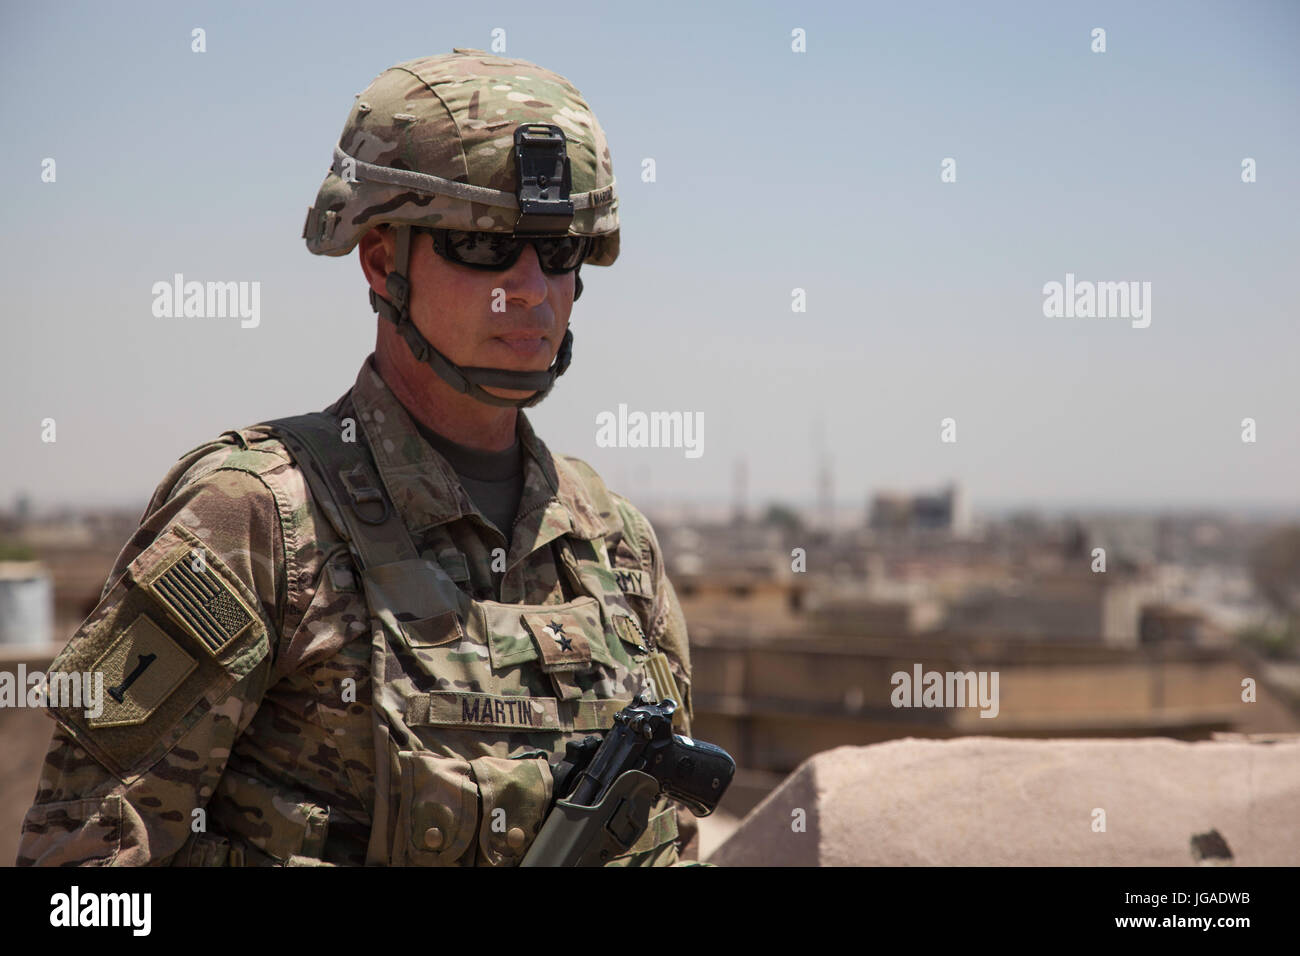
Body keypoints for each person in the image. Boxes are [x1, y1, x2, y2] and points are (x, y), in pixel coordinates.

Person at [17, 49, 698, 867]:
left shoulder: (614, 546)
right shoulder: (254, 520)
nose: (530, 288)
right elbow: (79, 869)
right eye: (484, 248)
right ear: (382, 260)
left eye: (559, 254)